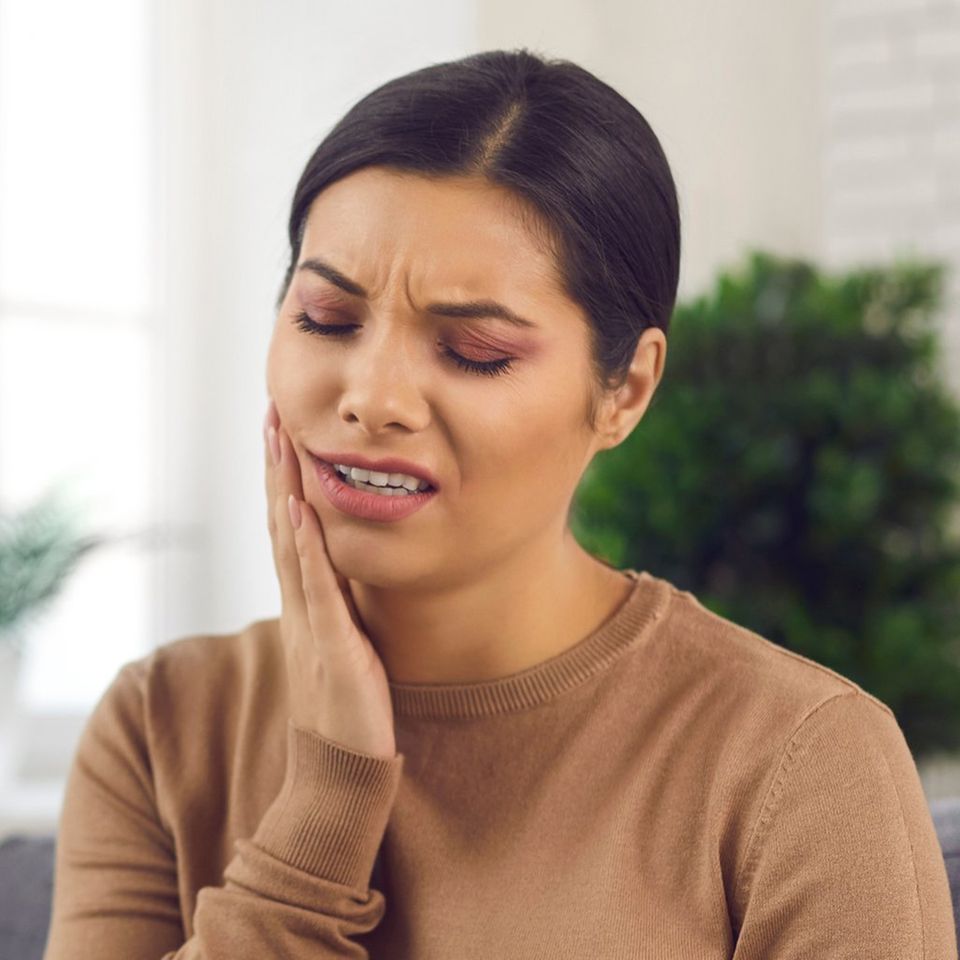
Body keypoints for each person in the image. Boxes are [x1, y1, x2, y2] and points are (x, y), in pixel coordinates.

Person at [42, 48, 957, 959]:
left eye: (474, 350)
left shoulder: (802, 766)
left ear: (625, 392)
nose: (373, 395)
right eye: (327, 319)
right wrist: (325, 806)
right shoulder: (161, 728)